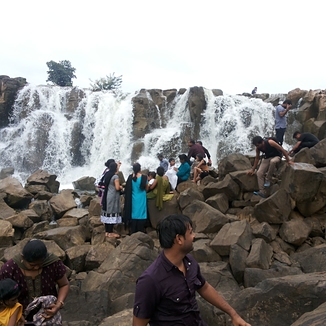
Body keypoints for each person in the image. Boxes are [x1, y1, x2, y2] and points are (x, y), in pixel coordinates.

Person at [133, 214, 251, 326]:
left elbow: (204, 287)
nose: (194, 236)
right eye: (190, 233)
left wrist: (233, 314)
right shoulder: (150, 280)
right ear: (179, 239)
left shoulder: (188, 261)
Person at [0, 239, 69, 323]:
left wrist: (58, 304)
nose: (36, 267)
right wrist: (15, 314)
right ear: (22, 258)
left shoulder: (53, 264)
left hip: (47, 316)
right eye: (32, 265)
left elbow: (64, 285)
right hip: (17, 317)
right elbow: (2, 295)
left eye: (40, 264)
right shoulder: (10, 269)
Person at [100, 162, 124, 238]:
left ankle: (107, 232)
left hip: (107, 195)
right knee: (112, 212)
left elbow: (115, 172)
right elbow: (117, 187)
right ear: (115, 169)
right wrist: (121, 187)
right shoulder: (115, 177)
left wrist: (118, 165)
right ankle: (110, 233)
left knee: (107, 212)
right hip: (113, 196)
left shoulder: (107, 174)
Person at [124, 163, 149, 234]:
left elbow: (127, 188)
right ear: (140, 169)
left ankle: (133, 229)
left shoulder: (130, 177)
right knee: (141, 212)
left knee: (134, 212)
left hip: (133, 197)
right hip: (141, 197)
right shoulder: (144, 177)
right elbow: (147, 188)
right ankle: (140, 229)